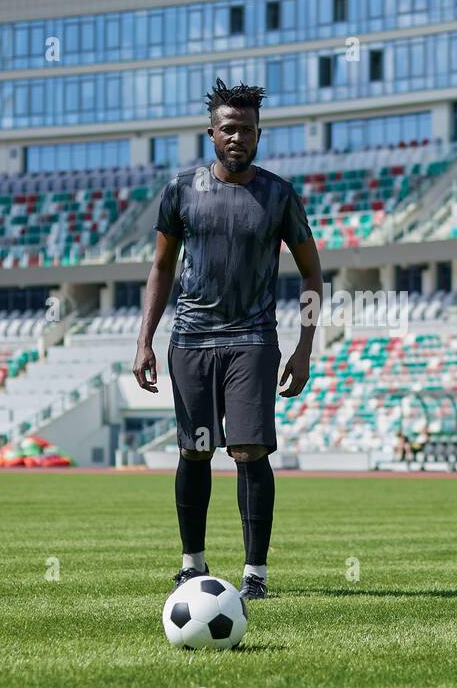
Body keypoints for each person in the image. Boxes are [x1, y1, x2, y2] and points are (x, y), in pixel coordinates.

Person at [133, 78, 322, 600]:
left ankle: (255, 575)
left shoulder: (279, 195)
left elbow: (312, 275)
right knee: (195, 451)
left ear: (260, 135)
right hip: (191, 339)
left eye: (248, 130)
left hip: (254, 339)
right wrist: (145, 339)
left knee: (249, 451)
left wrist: (305, 346)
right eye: (228, 129)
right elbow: (161, 267)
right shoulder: (180, 191)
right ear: (211, 133)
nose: (238, 137)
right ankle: (192, 566)